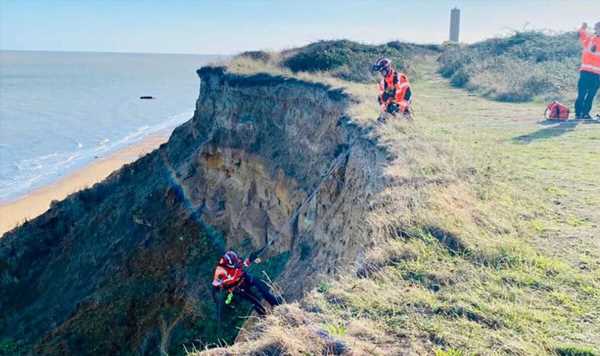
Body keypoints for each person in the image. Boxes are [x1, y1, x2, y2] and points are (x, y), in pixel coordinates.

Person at [211, 250, 280, 316]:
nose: (236, 264)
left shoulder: (235, 259)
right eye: (234, 265)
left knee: (261, 286)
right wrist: (217, 298)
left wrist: (251, 258)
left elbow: (244, 263)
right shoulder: (220, 271)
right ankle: (264, 315)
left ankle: (276, 303)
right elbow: (215, 287)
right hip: (237, 286)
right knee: (254, 300)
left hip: (244, 277)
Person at [575, 22, 600, 120]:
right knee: (581, 94)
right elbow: (581, 33)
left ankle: (585, 113)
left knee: (591, 95)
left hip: (597, 74)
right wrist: (582, 27)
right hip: (585, 72)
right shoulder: (589, 40)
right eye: (597, 27)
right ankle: (578, 113)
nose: (597, 29)